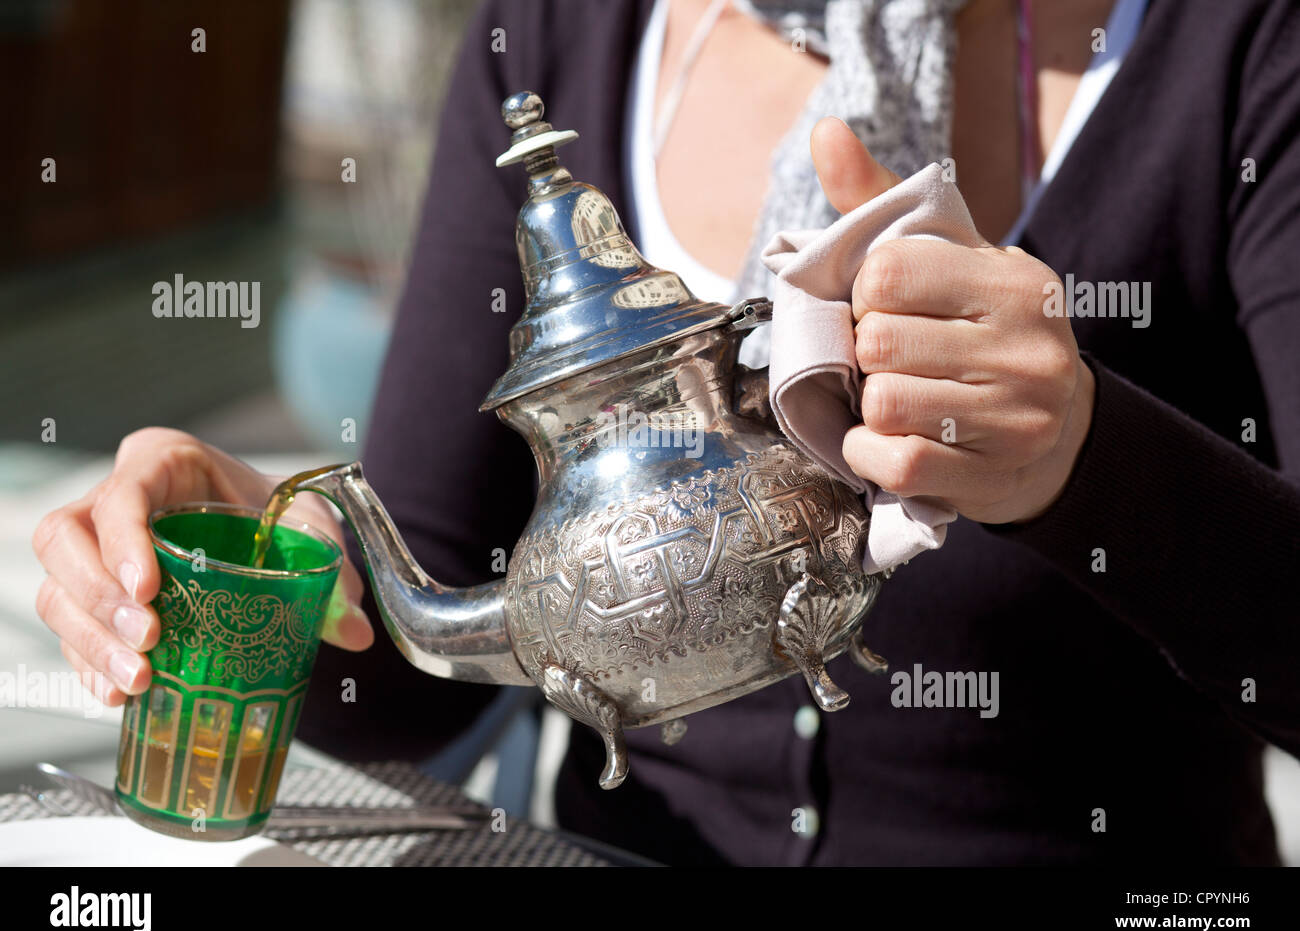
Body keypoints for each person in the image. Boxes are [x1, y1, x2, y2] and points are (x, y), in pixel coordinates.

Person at [32, 0, 1300, 865]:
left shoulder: (1237, 46)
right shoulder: (564, 30)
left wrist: (1091, 458)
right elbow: (419, 650)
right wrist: (261, 568)